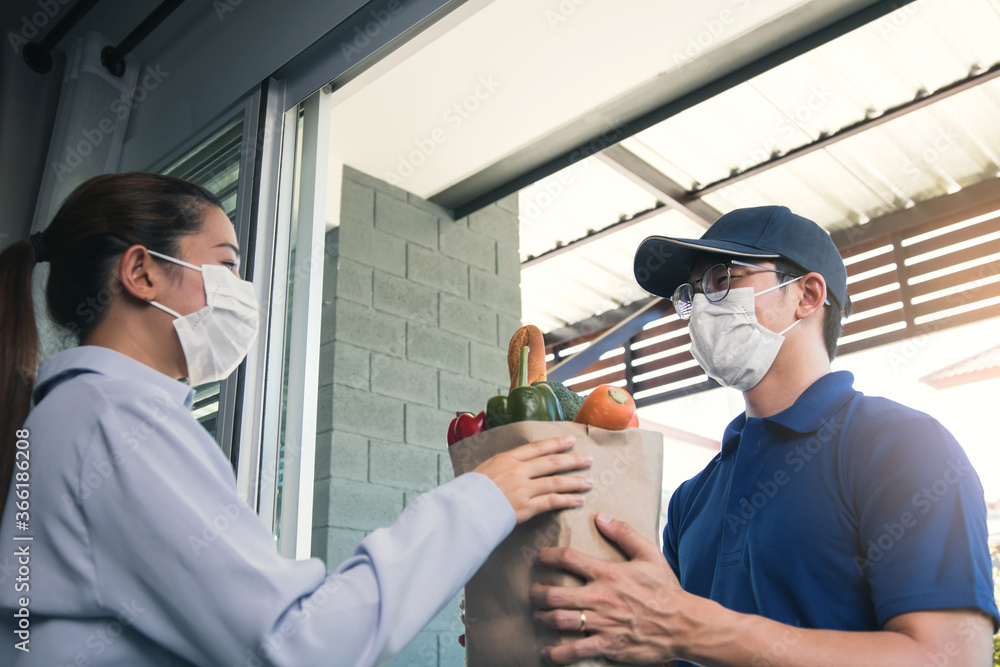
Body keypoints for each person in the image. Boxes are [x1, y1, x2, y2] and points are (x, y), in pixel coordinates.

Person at [0, 172, 595, 666]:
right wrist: (480, 500)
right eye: (226, 265)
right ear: (142, 272)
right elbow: (297, 645)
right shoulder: (117, 421)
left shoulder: (64, 419)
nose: (241, 290)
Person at [528, 205, 999, 665]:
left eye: (720, 280)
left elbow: (948, 656)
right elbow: (666, 640)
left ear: (807, 295)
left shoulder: (903, 447)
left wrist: (690, 626)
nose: (697, 312)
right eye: (690, 294)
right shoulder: (693, 498)